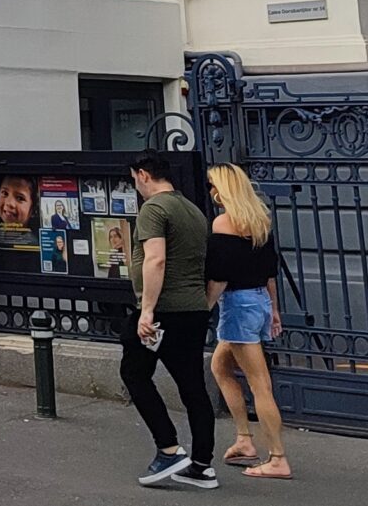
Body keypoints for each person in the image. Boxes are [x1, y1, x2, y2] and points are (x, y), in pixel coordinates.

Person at [123, 152, 218, 489]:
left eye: (134, 178)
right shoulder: (192, 210)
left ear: (143, 174)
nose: (135, 184)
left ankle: (169, 449)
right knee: (192, 386)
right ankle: (202, 466)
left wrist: (147, 311)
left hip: (163, 311)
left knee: (134, 374)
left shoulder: (154, 209)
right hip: (192, 309)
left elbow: (156, 259)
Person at [206, 164, 291, 480]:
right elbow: (270, 273)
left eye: (213, 185)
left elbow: (219, 277)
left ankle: (278, 457)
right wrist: (274, 309)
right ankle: (244, 439)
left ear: (224, 190)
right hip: (258, 301)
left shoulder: (223, 223)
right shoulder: (260, 222)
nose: (211, 191)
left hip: (238, 305)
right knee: (220, 366)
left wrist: (204, 309)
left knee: (260, 384)